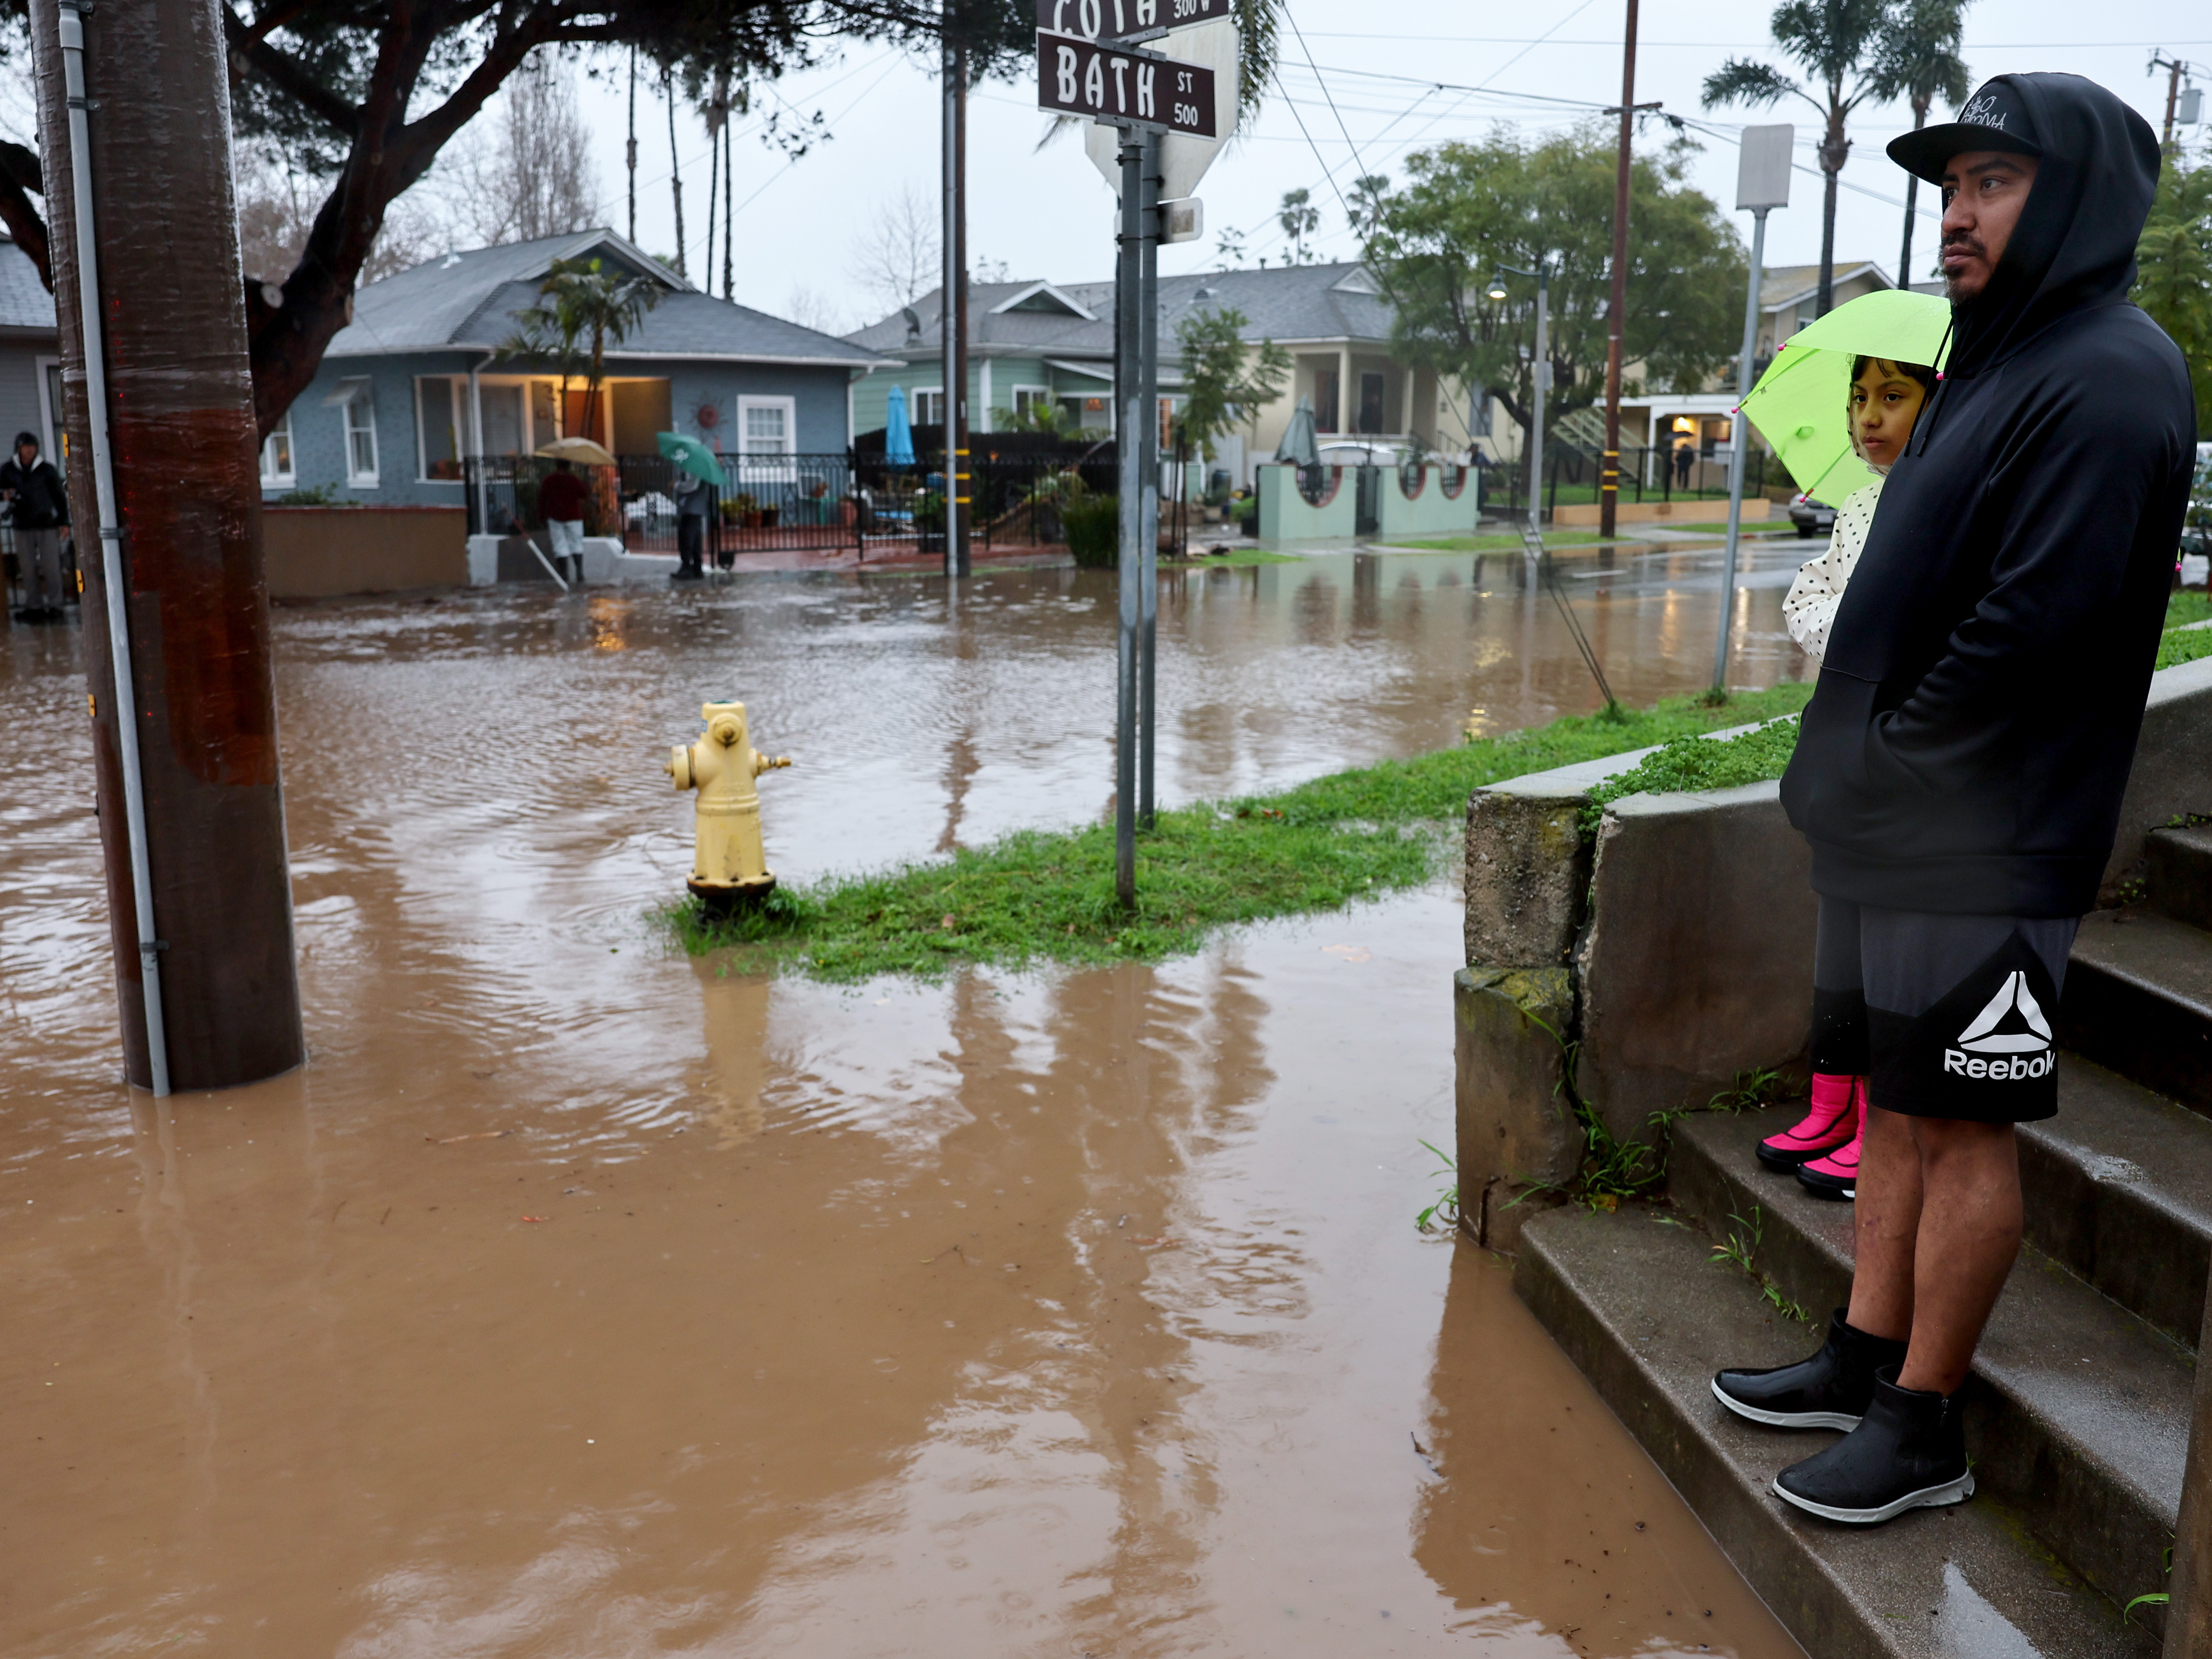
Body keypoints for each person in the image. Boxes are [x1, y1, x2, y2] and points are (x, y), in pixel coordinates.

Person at [1712, 74, 2196, 1528]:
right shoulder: (1984, 360)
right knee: (1897, 1109)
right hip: (1896, 825)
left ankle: (1921, 1424)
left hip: (1988, 835)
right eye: (1948, 186)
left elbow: (2031, 629)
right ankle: (1862, 1352)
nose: (1954, 215)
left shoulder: (2109, 375)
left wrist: (1879, 759)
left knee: (1964, 1126)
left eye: (1992, 182)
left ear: (2076, 198)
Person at [1761, 355, 1938, 1199]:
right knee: (1837, 933)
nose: (1869, 416)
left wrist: (1858, 622)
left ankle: (1877, 1127)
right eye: (1860, 397)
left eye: (1894, 397)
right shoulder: (1862, 503)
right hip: (1841, 741)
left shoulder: (1944, 505)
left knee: (1882, 944)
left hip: (1897, 757)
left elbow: (1906, 626)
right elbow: (1810, 604)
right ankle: (1831, 1101)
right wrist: (1857, 621)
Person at [2, 431, 69, 622]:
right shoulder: (8, 470)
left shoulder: (47, 470)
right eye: (26, 447)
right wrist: (4, 495)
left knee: (52, 567)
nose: (30, 450)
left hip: (46, 525)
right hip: (21, 527)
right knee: (27, 569)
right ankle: (34, 607)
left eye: (33, 447)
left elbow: (59, 497)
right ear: (19, 448)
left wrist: (64, 522)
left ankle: (56, 606)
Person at [536, 458, 590, 582]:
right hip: (574, 517)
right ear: (569, 466)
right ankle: (579, 572)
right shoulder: (573, 480)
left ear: (557, 465)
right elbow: (584, 494)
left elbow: (542, 499)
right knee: (577, 544)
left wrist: (541, 517)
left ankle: (564, 574)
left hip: (555, 517)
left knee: (559, 545)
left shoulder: (549, 480)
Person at [673, 467, 710, 581]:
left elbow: (692, 486)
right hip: (693, 508)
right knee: (695, 538)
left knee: (687, 537)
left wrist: (676, 485)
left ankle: (687, 568)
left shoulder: (696, 468)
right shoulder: (699, 468)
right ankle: (697, 568)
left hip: (692, 508)